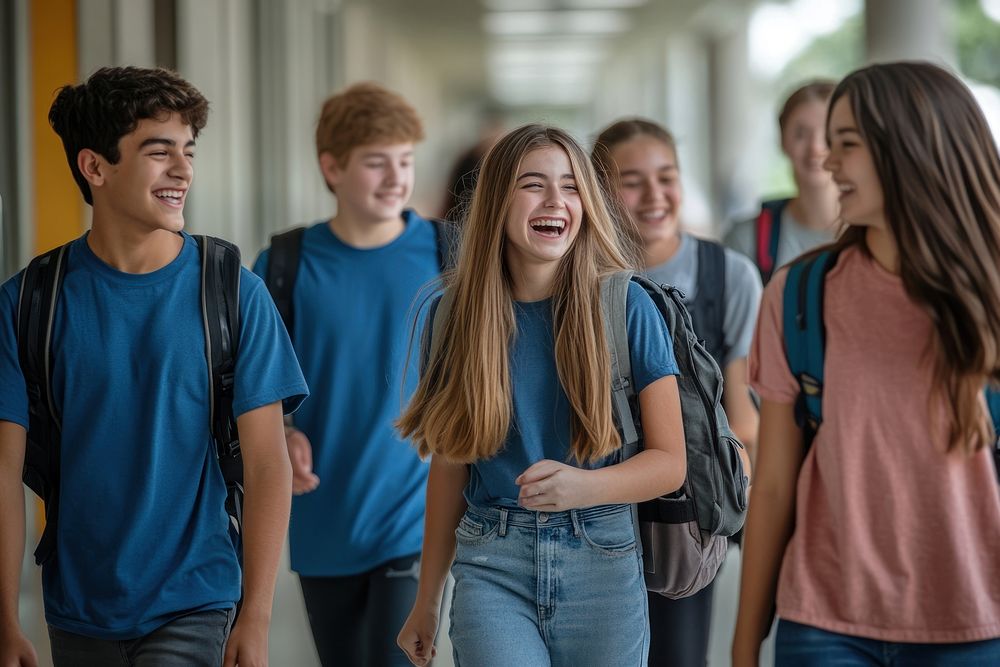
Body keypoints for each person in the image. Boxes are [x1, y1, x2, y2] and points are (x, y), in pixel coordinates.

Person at [0, 66, 308, 667]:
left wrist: (257, 615)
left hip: (196, 598)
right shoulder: (29, 303)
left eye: (188, 151)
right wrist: (6, 619)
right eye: (159, 152)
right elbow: (4, 473)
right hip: (77, 606)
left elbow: (269, 463)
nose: (183, 170)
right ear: (95, 167)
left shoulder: (232, 294)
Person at [732, 61, 1000, 667]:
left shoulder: (992, 296)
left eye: (847, 144)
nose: (827, 162)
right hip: (823, 625)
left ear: (910, 149)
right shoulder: (799, 295)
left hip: (977, 623)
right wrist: (744, 646)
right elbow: (772, 486)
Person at [394, 124, 687, 667]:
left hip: (602, 558)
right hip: (492, 562)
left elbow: (670, 463)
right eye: (533, 184)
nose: (556, 200)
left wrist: (584, 487)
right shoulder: (452, 315)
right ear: (497, 203)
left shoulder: (628, 307)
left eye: (571, 186)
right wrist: (427, 600)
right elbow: (451, 465)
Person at [252, 82, 442, 667]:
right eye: (376, 162)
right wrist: (283, 432)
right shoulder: (284, 265)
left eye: (405, 160)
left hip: (415, 516)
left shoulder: (447, 256)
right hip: (322, 519)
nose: (395, 178)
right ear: (332, 167)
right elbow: (257, 388)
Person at [593, 118, 761, 666]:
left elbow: (742, 417)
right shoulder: (578, 279)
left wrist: (730, 493)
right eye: (632, 181)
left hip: (686, 518)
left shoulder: (727, 276)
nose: (655, 195)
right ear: (598, 192)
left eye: (667, 177)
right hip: (595, 513)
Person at [724, 80, 840, 283]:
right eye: (800, 134)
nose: (815, 147)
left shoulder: (880, 236)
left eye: (829, 133)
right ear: (782, 140)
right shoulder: (746, 240)